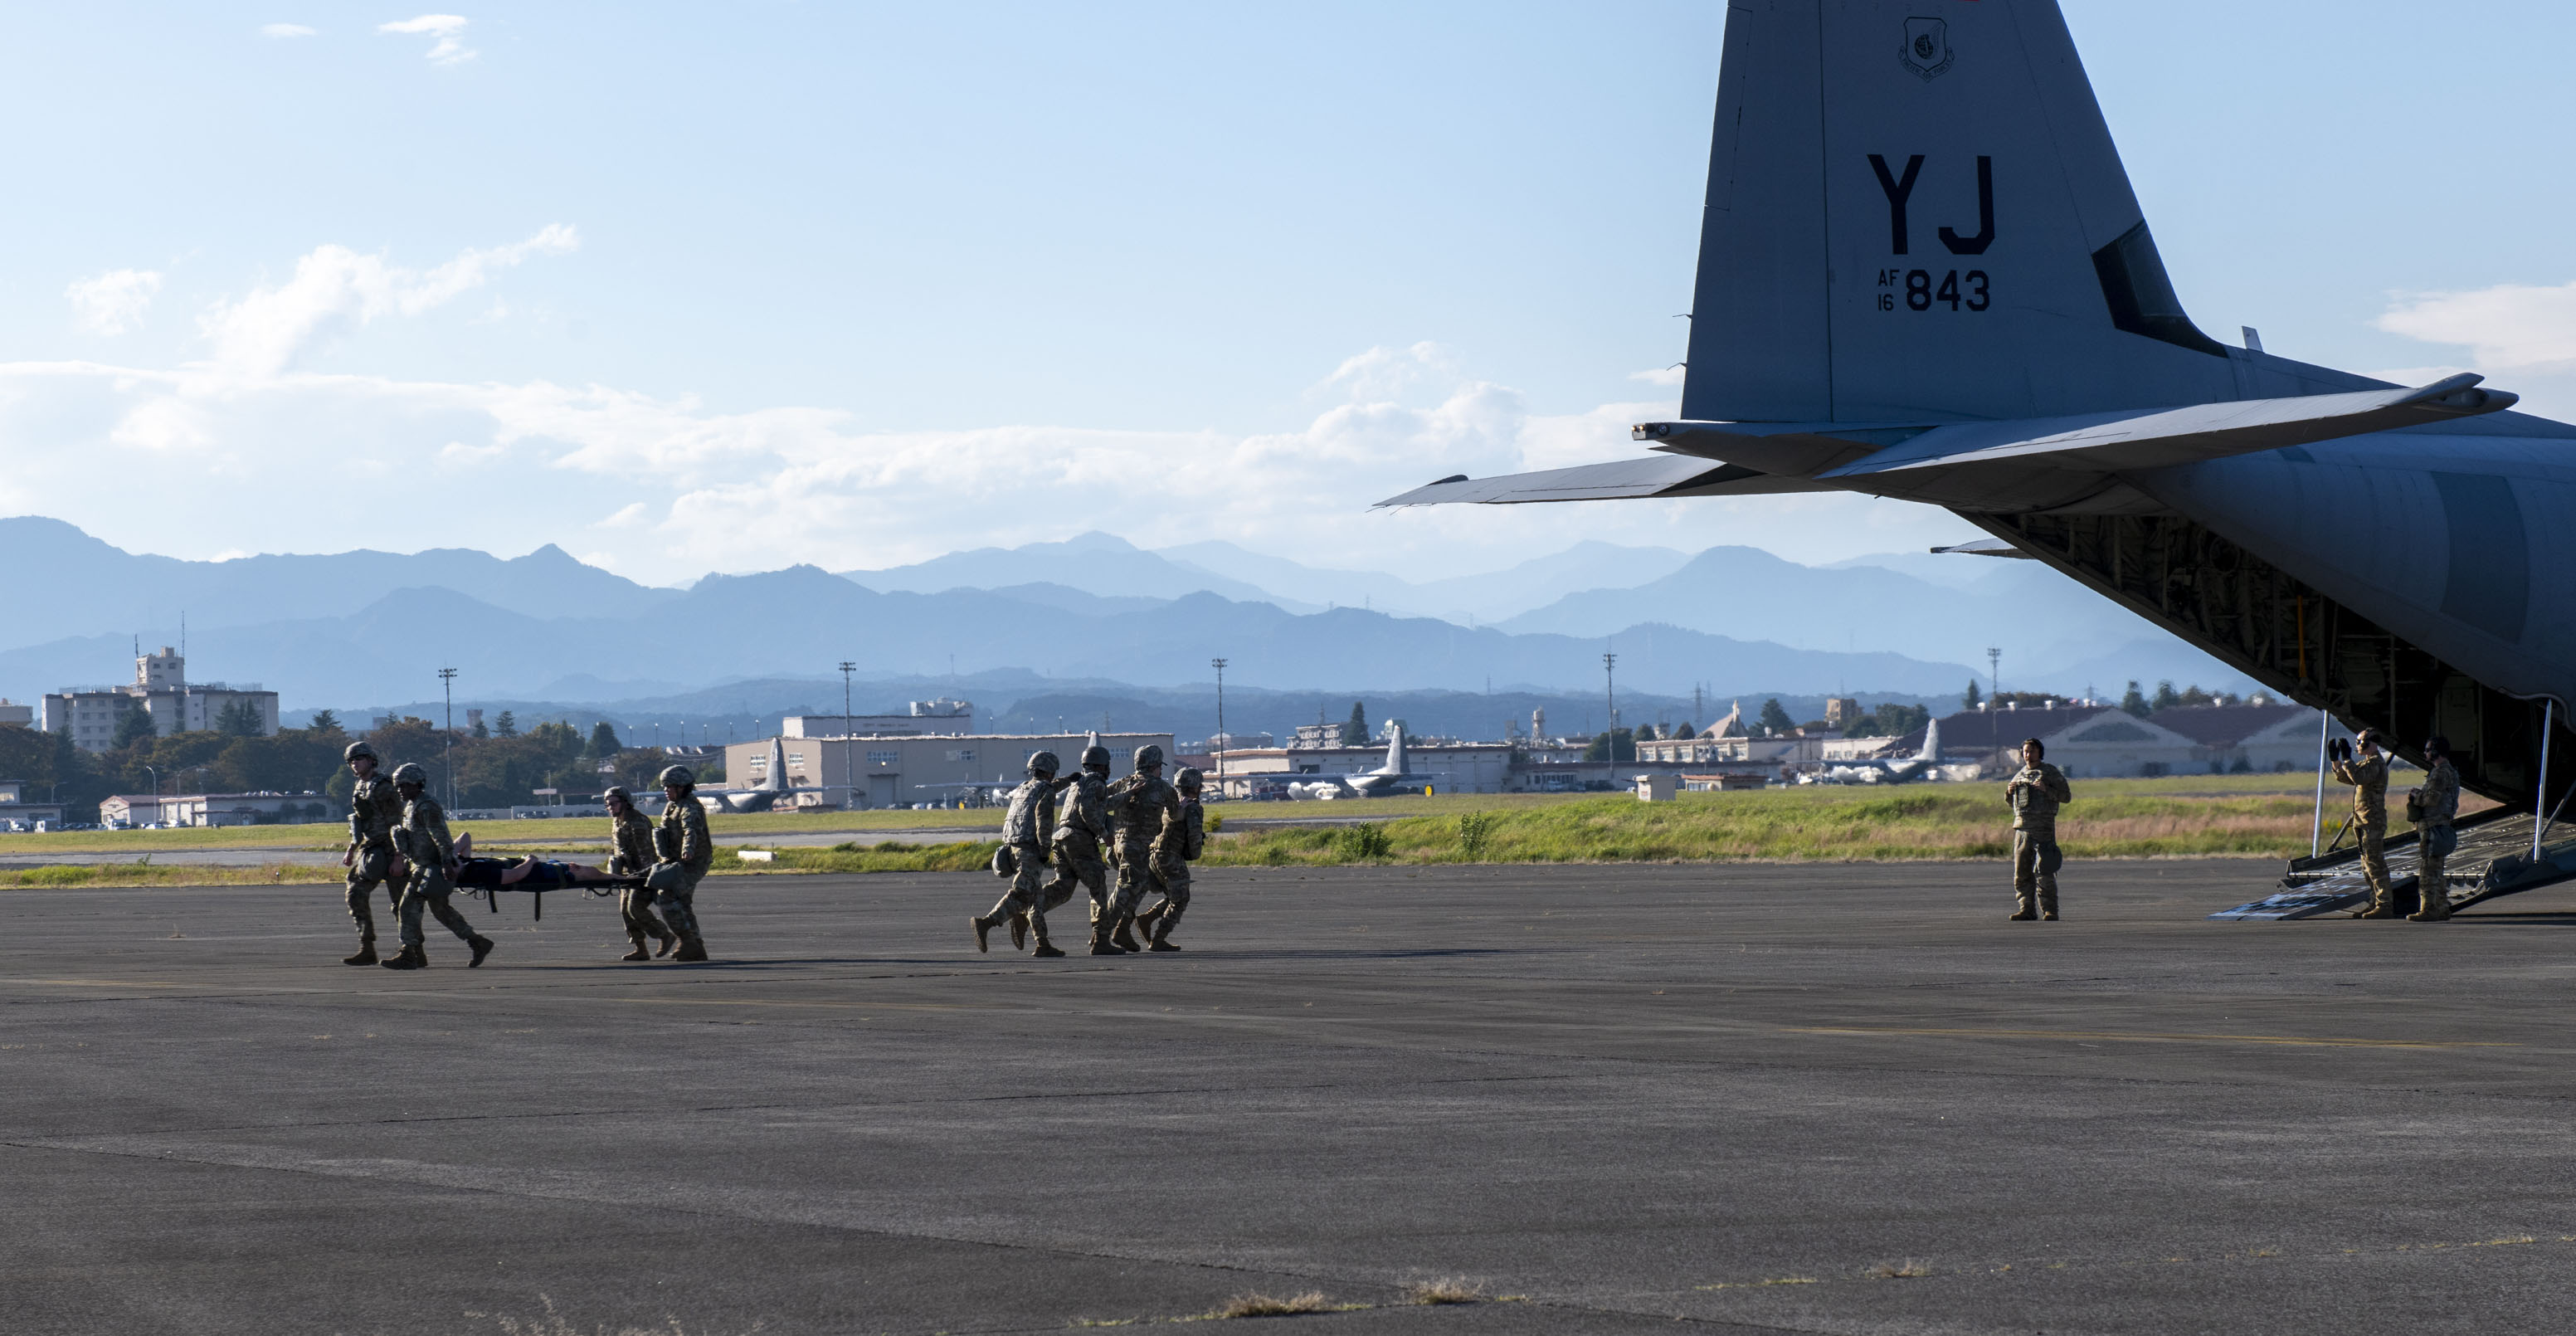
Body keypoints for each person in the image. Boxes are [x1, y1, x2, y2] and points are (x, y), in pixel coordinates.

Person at [380, 763, 495, 970]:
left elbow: (440, 835)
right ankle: (477, 942)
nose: (401, 790)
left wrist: (447, 862)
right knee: (442, 911)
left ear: (418, 784)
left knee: (406, 906)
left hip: (431, 867)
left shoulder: (427, 806)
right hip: (421, 866)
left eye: (405, 785)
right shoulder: (411, 806)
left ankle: (408, 954)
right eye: (399, 786)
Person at [972, 751, 1074, 958]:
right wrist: (1045, 849)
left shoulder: (1023, 789)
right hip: (1029, 850)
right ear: (1050, 771)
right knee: (1022, 894)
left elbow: (1048, 789)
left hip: (1013, 847)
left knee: (1034, 898)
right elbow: (1044, 820)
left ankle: (1042, 943)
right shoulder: (1044, 789)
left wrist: (1069, 781)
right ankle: (987, 922)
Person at [1102, 744, 1184, 953]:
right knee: (1123, 894)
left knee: (1140, 887)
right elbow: (1176, 816)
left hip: (1116, 849)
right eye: (1159, 766)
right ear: (1155, 765)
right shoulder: (1163, 788)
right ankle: (1100, 936)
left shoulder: (1123, 783)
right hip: (1136, 850)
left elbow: (1100, 801)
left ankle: (1122, 929)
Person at [337, 739, 409, 965]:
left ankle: (412, 951)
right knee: (355, 892)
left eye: (359, 759)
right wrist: (352, 847)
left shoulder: (384, 786)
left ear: (371, 760)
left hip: (392, 849)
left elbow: (398, 823)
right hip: (372, 849)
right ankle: (367, 947)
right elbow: (360, 820)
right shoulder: (360, 786)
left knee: (402, 905)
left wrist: (399, 857)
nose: (354, 764)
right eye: (351, 761)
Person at [1044, 745, 1117, 953]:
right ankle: (1101, 939)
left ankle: (1030, 910)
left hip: (1061, 837)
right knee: (1098, 887)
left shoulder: (1078, 784)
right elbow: (1087, 811)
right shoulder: (1096, 782)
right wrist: (1103, 833)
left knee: (1063, 886)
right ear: (1102, 765)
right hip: (1079, 839)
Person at [1134, 766, 1206, 952]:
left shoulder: (1171, 804)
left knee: (1173, 894)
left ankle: (1147, 918)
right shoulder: (1192, 807)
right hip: (1170, 857)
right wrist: (1194, 853)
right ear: (1196, 786)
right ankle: (1158, 938)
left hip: (1155, 855)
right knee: (1181, 898)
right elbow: (1194, 836)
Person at [645, 764, 713, 960]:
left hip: (693, 863)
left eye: (669, 787)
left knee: (666, 897)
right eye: (665, 787)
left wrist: (687, 850)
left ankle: (687, 940)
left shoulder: (690, 808)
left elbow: (690, 830)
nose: (666, 791)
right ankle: (695, 945)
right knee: (682, 902)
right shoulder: (672, 806)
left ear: (681, 787)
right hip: (675, 862)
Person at [2004, 738, 2072, 921]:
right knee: (2021, 874)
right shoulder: (2019, 775)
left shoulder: (2049, 772)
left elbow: (2066, 796)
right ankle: (2026, 909)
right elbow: (2014, 804)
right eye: (2026, 751)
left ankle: (2050, 910)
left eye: (2032, 751)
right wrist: (2009, 793)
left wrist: (2046, 790)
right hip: (2022, 829)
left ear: (2039, 753)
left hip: (2043, 828)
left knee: (2044, 872)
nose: (2029, 755)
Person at [2330, 730, 2396, 919]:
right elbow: (2348, 778)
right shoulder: (2367, 763)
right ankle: (2375, 902)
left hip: (2372, 820)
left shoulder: (2375, 764)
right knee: (2367, 866)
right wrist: (2336, 761)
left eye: (2360, 741)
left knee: (2376, 864)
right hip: (2362, 820)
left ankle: (2385, 905)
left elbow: (2358, 777)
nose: (2357, 744)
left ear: (2371, 743)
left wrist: (2348, 759)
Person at [603, 786, 674, 961]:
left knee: (634, 908)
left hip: (644, 875)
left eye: (614, 803)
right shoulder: (618, 821)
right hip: (629, 875)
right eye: (608, 804)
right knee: (625, 911)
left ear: (625, 803)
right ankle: (640, 949)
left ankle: (665, 935)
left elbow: (647, 855)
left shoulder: (637, 823)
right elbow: (619, 849)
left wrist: (639, 876)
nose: (610, 807)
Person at [2408, 735, 2462, 922]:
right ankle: (2442, 907)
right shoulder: (2451, 772)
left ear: (2436, 751)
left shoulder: (2439, 773)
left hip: (2433, 827)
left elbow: (2431, 799)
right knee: (2437, 870)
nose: (2426, 753)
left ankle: (2428, 908)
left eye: (2429, 750)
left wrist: (2417, 796)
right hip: (2441, 826)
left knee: (2428, 871)